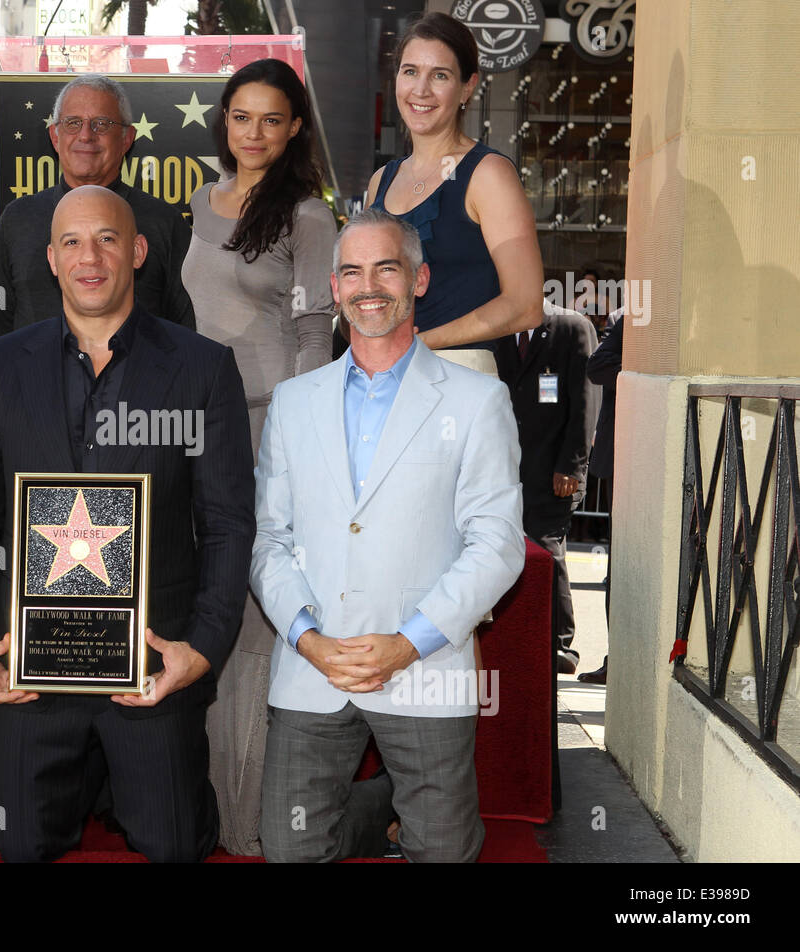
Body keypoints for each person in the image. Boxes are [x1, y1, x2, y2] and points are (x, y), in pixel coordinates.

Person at [0, 186, 255, 863]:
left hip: (152, 663)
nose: (91, 257)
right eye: (73, 243)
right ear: (51, 259)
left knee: (176, 847)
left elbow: (228, 523)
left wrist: (200, 648)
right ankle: (85, 783)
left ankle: (124, 786)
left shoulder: (202, 369)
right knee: (19, 844)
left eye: (108, 239)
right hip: (31, 664)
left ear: (138, 251)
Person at [251, 209, 524, 863]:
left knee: (444, 850)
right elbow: (269, 538)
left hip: (425, 667)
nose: (367, 285)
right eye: (351, 271)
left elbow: (497, 543)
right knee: (288, 848)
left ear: (419, 279)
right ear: (334, 287)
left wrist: (409, 643)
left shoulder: (475, 401)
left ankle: (388, 812)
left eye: (386, 268)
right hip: (315, 666)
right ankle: (378, 809)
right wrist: (308, 639)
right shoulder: (294, 400)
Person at [180, 57, 336, 856]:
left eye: (272, 119)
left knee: (253, 619)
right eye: (242, 116)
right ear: (225, 120)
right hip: (194, 431)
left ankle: (253, 820)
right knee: (206, 604)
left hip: (270, 428)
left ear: (295, 127)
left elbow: (316, 334)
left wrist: (301, 444)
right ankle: (204, 808)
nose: (254, 132)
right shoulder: (200, 205)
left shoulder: (308, 217)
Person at [365, 11, 542, 373]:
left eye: (440, 75)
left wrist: (419, 344)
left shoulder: (488, 174)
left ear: (467, 87)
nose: (421, 90)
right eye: (410, 71)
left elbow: (526, 304)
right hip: (384, 375)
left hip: (458, 375)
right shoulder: (380, 180)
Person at [0, 74, 195, 334]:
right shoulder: (17, 219)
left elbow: (184, 330)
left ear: (126, 138)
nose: (86, 136)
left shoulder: (166, 224)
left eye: (101, 124)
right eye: (73, 123)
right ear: (55, 136)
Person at [493, 300, 599, 674]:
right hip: (503, 469)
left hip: (553, 471)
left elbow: (585, 401)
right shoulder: (496, 328)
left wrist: (571, 465)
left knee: (546, 549)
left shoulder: (571, 328)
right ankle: (519, 635)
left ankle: (559, 644)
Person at [578, 307, 624, 685]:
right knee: (621, 566)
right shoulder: (630, 318)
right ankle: (618, 658)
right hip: (623, 460)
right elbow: (599, 367)